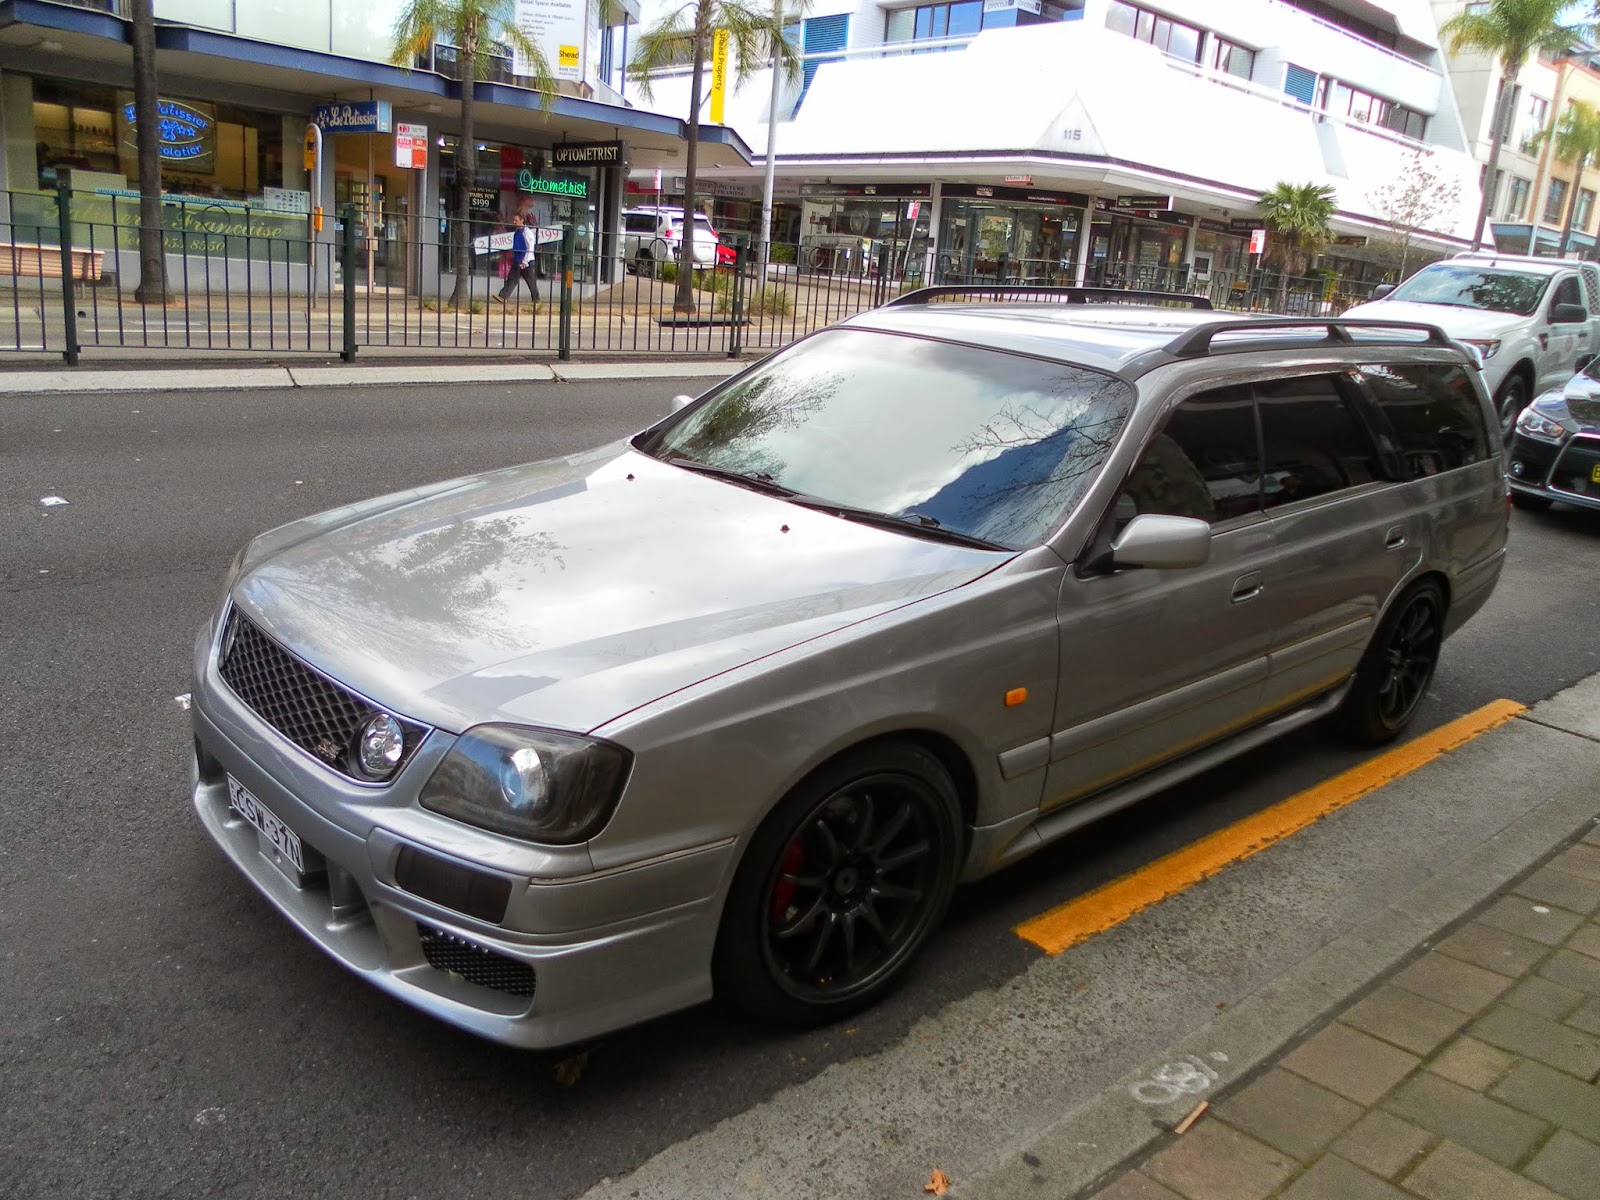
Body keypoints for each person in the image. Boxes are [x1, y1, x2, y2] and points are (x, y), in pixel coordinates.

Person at [495, 213, 539, 306]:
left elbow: (530, 247)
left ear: (522, 220)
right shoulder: (517, 232)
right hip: (517, 259)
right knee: (512, 278)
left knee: (530, 280)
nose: (514, 222)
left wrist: (525, 261)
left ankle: (536, 299)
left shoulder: (526, 232)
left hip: (526, 260)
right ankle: (503, 296)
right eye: (514, 220)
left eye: (516, 220)